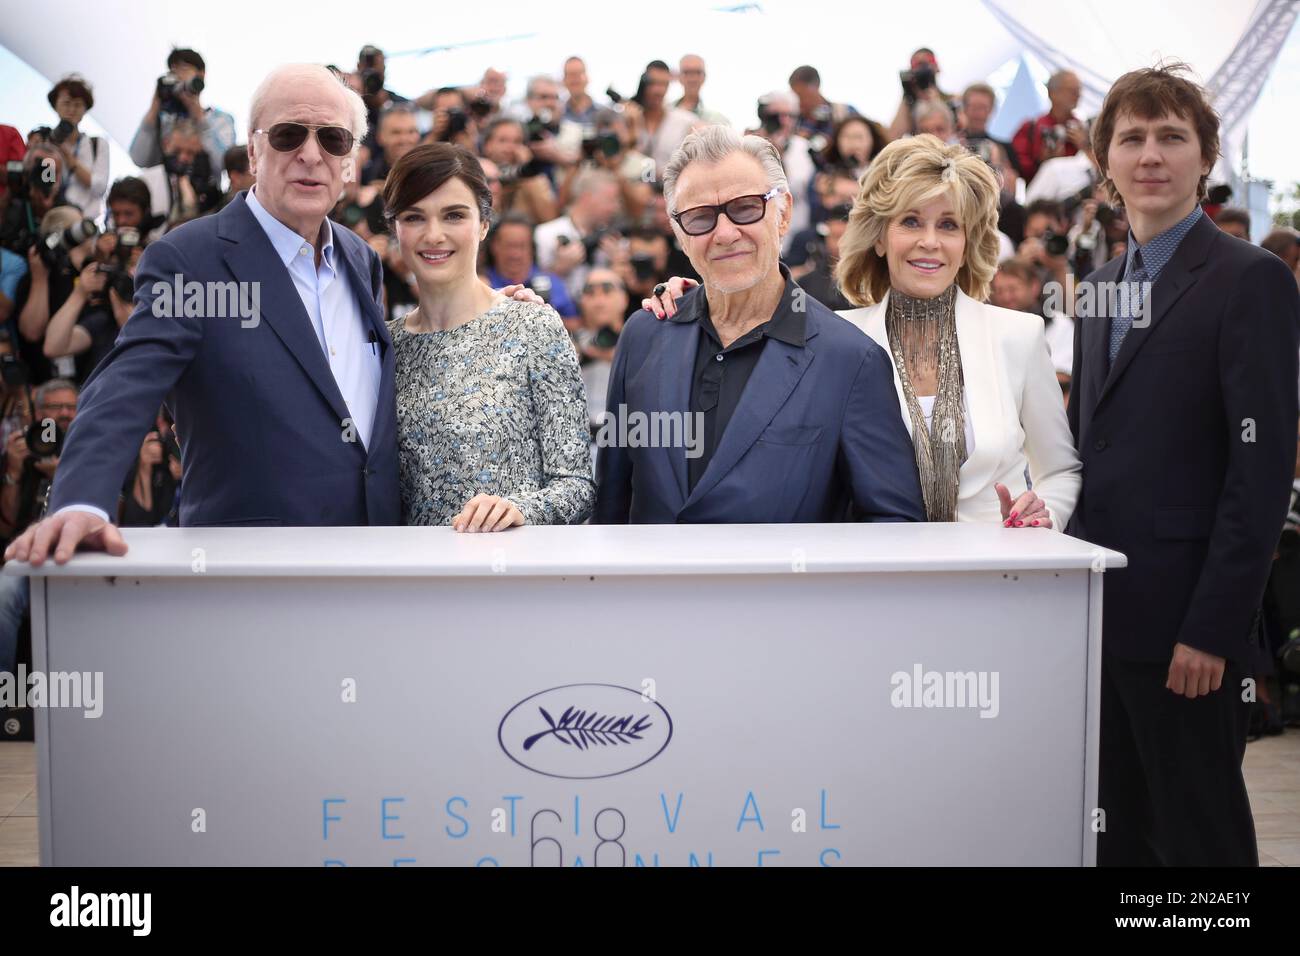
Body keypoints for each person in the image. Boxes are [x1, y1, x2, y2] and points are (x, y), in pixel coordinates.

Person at [3, 64, 530, 567]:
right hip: (247, 579)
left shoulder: (359, 258)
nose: (310, 154)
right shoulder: (190, 259)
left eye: (332, 139)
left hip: (378, 566)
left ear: (349, 160)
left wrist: (489, 312)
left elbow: (349, 375)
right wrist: (80, 501)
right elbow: (125, 384)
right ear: (254, 150)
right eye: (287, 135)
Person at [1067, 64, 1300, 866]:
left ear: (1207, 158)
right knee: (1120, 838)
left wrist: (1212, 630)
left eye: (1172, 136)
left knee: (1200, 843)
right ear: (1106, 161)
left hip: (1190, 636)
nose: (1151, 155)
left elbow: (1261, 475)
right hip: (1104, 624)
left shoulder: (1252, 279)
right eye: (1132, 137)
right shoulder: (1095, 289)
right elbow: (1089, 453)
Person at [645, 135, 1081, 527]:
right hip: (873, 588)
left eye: (948, 225)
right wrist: (695, 298)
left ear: (968, 241)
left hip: (996, 583)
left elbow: (1059, 471)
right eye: (911, 221)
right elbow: (746, 312)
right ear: (879, 236)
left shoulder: (1018, 336)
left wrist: (1043, 517)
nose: (930, 241)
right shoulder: (833, 341)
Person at [595, 126, 923, 525]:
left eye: (746, 207)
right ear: (679, 233)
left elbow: (894, 526)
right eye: (700, 217)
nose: (726, 233)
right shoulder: (644, 336)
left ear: (783, 212)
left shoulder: (851, 360)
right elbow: (611, 507)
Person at [383, 143, 593, 531]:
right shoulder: (385, 347)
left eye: (454, 215)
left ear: (483, 224)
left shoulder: (533, 327)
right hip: (414, 578)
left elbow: (577, 485)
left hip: (513, 576)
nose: (434, 234)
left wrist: (519, 510)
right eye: (414, 217)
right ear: (395, 228)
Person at [129, 48, 237, 178]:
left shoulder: (220, 120)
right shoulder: (163, 119)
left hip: (207, 195)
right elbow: (139, 159)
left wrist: (200, 119)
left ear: (201, 75)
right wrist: (154, 107)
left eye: (184, 69)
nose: (178, 76)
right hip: (164, 192)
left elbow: (223, 165)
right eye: (173, 72)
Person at [46, 75, 109, 221]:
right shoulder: (47, 144)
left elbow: (99, 187)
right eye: (66, 103)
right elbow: (45, 183)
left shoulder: (97, 144)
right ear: (56, 106)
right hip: (51, 218)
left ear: (85, 109)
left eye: (78, 104)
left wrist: (70, 161)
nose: (72, 110)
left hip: (83, 222)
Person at [1012, 70, 1085, 183]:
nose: (1078, 95)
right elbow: (1016, 166)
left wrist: (1086, 147)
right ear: (1052, 93)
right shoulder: (1030, 128)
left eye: (1079, 90)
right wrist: (1040, 161)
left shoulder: (1085, 130)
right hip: (1041, 194)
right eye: (1072, 90)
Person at [674, 55, 730, 127]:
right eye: (687, 72)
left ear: (704, 77)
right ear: (679, 76)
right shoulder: (665, 113)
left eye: (697, 72)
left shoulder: (718, 119)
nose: (692, 78)